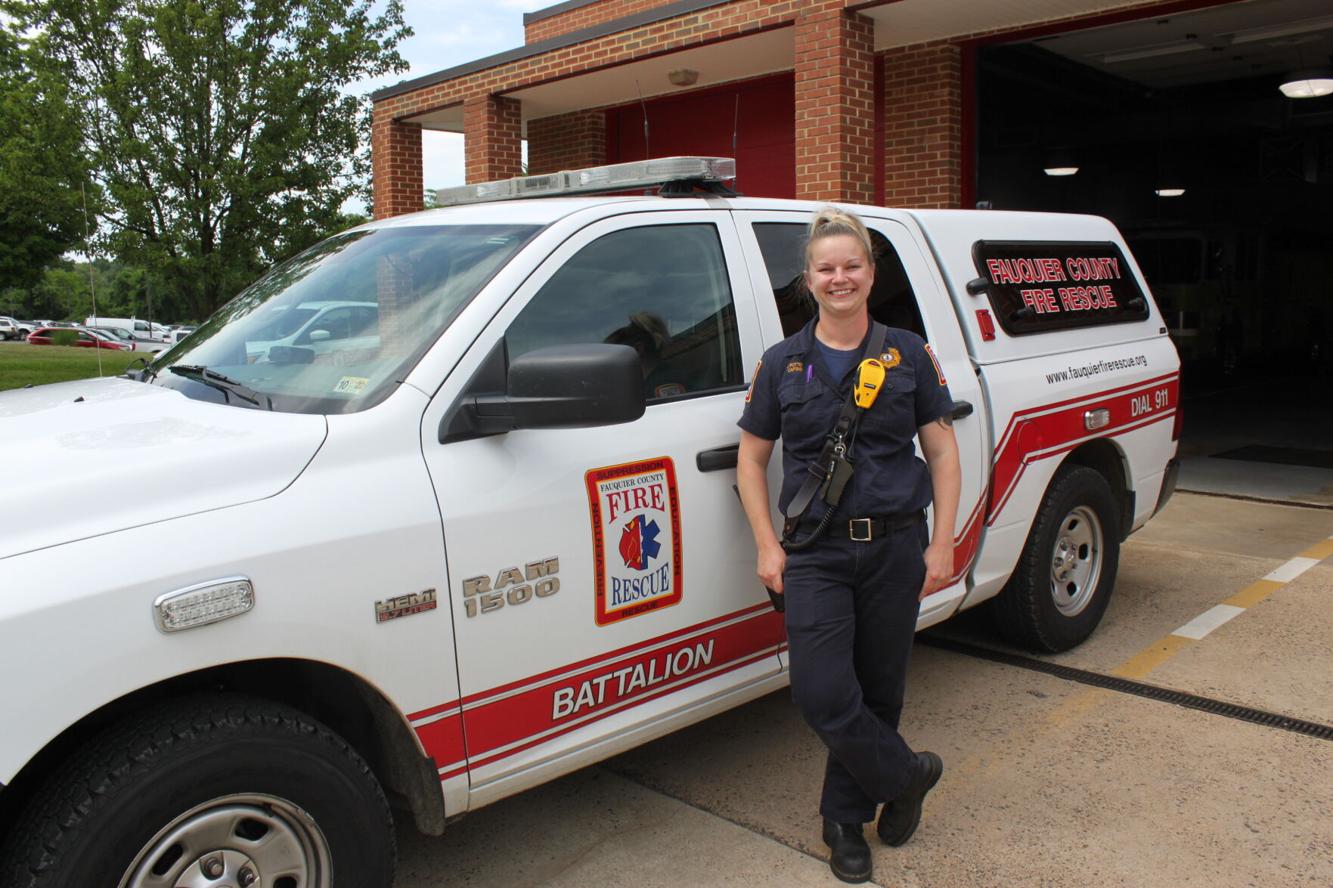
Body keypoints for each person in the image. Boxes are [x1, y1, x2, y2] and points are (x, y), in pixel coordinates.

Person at [735, 207, 961, 884]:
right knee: (822, 692)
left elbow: (942, 453)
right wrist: (767, 546)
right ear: (807, 280)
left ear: (870, 273)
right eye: (826, 268)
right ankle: (908, 776)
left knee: (880, 690)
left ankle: (843, 822)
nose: (841, 278)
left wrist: (942, 543)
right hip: (815, 552)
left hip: (895, 545)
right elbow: (751, 461)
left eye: (852, 265)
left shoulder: (908, 353)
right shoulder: (782, 363)